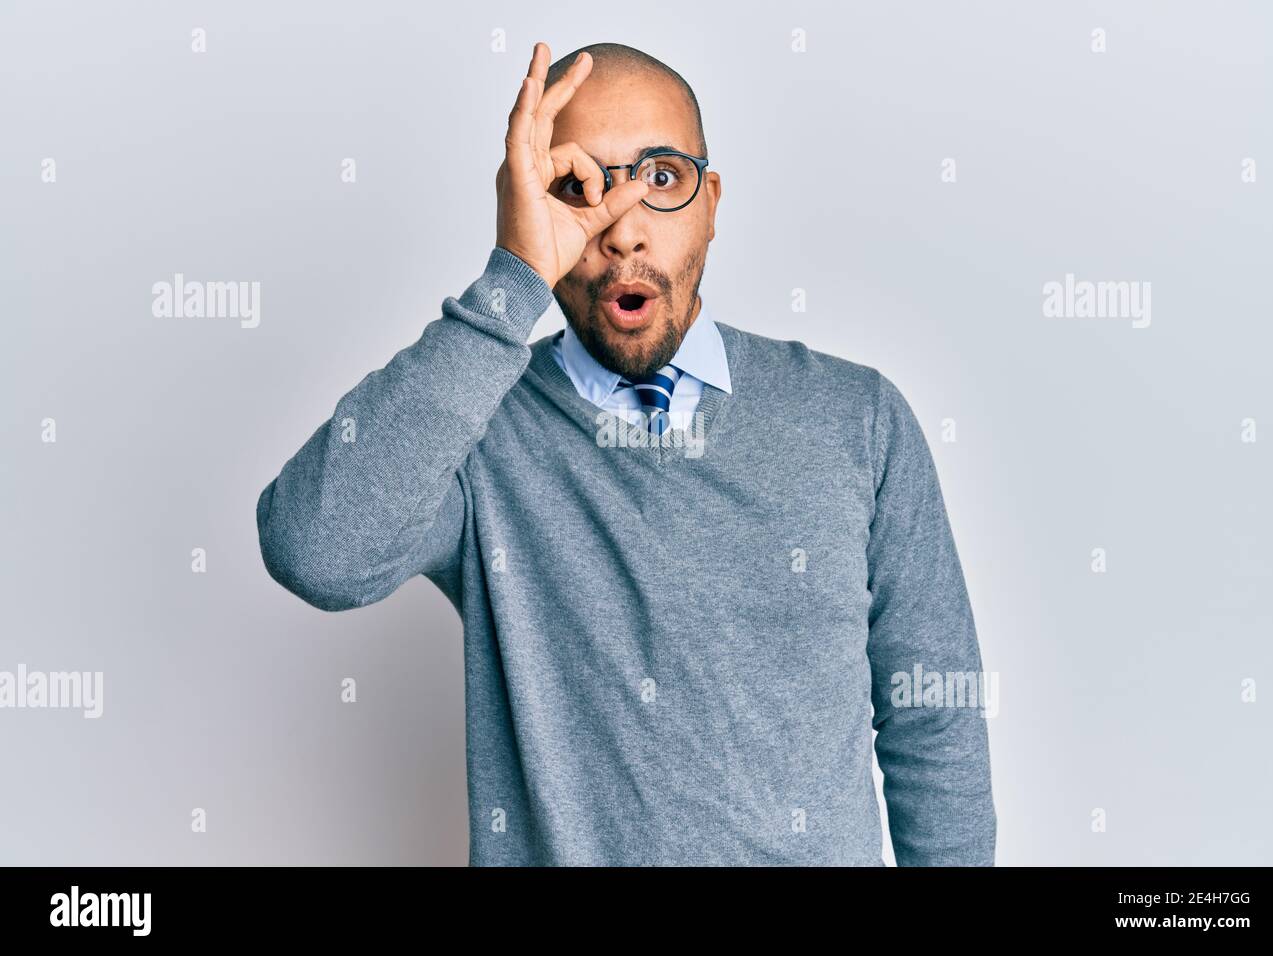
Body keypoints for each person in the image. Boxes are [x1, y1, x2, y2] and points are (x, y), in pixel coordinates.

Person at [256, 40, 996, 866]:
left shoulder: (856, 418)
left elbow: (934, 720)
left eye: (663, 178)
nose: (624, 228)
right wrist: (513, 279)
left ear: (711, 204)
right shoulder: (477, 431)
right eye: (581, 187)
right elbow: (315, 550)